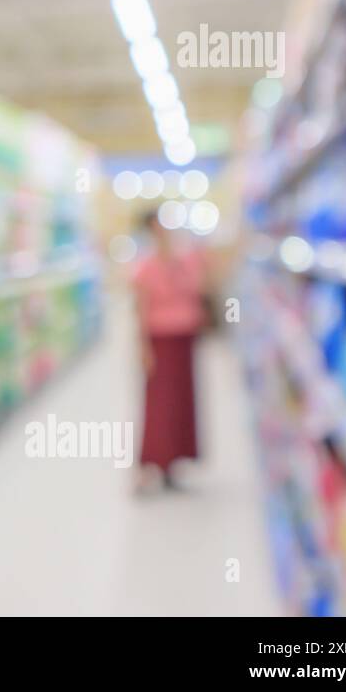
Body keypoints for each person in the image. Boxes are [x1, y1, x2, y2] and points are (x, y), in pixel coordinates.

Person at [131, 207, 208, 492]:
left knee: (181, 404)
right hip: (160, 340)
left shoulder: (187, 260)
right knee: (158, 405)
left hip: (184, 339)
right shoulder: (145, 267)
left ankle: (173, 464)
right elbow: (140, 309)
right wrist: (143, 348)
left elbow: (201, 289)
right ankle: (149, 464)